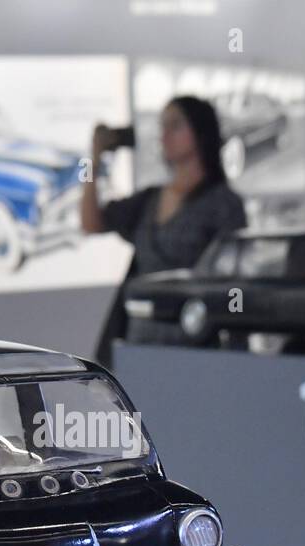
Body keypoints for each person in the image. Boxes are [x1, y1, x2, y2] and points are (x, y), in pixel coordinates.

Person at [81, 95, 247, 363]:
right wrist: (92, 162)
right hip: (138, 345)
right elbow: (90, 222)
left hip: (195, 347)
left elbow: (231, 284)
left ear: (200, 132)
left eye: (175, 125)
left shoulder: (223, 204)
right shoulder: (150, 200)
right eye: (162, 126)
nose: (164, 135)